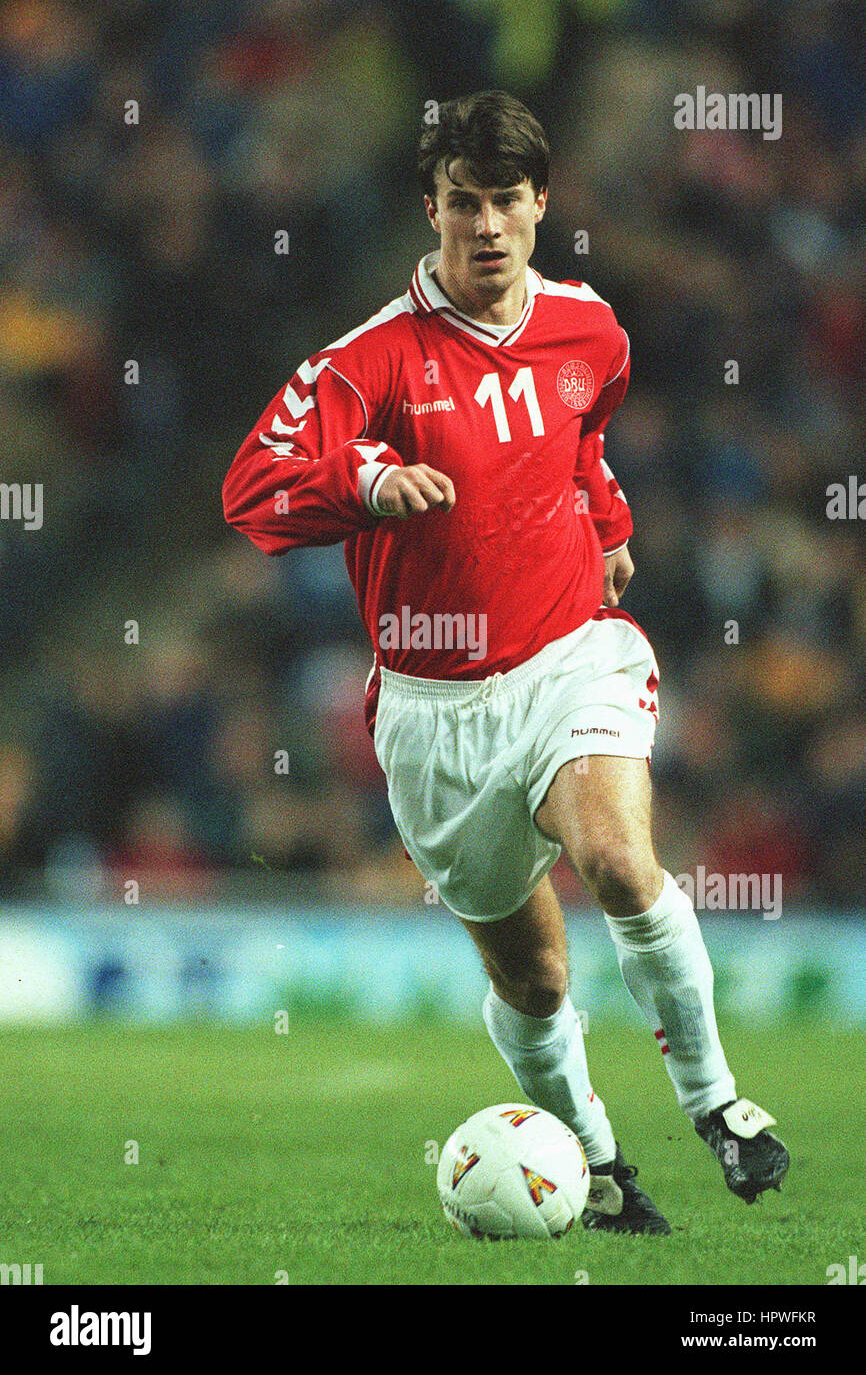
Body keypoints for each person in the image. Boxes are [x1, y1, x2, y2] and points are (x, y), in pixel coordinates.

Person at [223, 91, 789, 1234]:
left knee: (621, 864)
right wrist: (368, 484)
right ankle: (594, 1162)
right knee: (532, 981)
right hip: (433, 716)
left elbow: (580, 434)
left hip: (566, 656)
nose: (486, 225)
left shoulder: (590, 328)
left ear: (541, 206)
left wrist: (608, 518)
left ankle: (717, 1104)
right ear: (430, 210)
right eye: (463, 203)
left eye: (506, 202)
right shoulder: (366, 362)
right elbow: (248, 489)